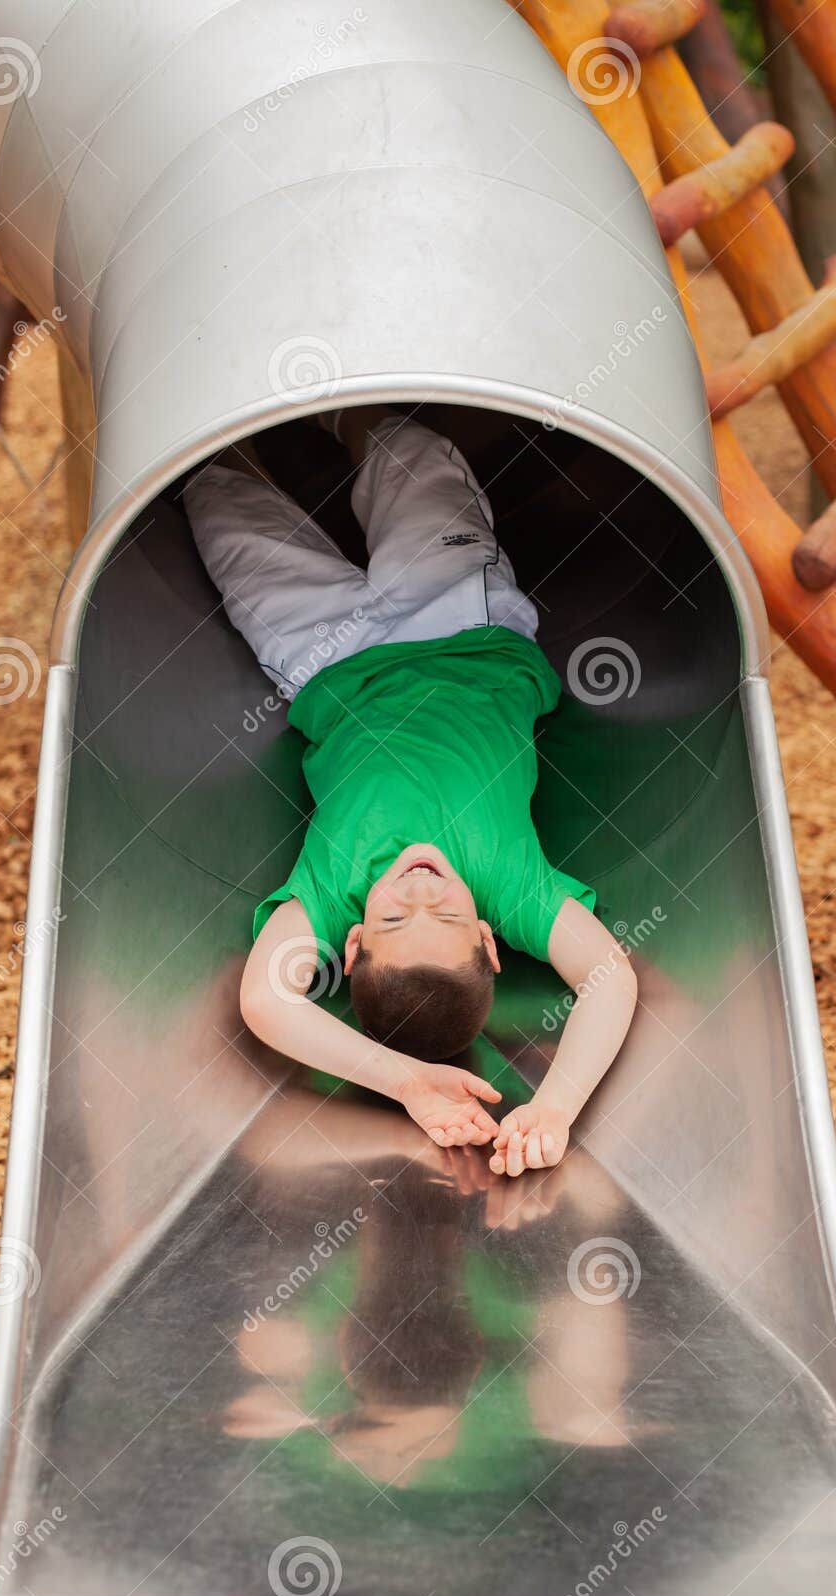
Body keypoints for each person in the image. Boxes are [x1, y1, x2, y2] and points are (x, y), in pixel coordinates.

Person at [184, 407, 637, 1175]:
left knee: (214, 501)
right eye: (448, 914)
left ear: (353, 942)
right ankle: (341, 411)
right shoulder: (510, 886)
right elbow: (608, 979)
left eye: (394, 915)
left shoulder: (332, 893)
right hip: (465, 630)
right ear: (490, 940)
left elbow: (264, 1001)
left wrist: (407, 1082)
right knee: (411, 455)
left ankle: (231, 424)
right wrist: (556, 1106)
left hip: (329, 662)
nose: (421, 889)